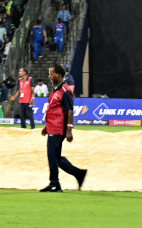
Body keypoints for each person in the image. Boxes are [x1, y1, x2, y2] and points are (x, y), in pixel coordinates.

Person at [39, 64, 87, 192]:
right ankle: (78, 174)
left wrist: (69, 130)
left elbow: (70, 111)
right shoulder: (56, 90)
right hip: (52, 127)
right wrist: (46, 126)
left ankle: (55, 184)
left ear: (59, 75)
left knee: (53, 156)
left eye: (51, 74)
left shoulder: (65, 91)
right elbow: (53, 109)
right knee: (55, 157)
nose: (50, 76)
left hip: (58, 128)